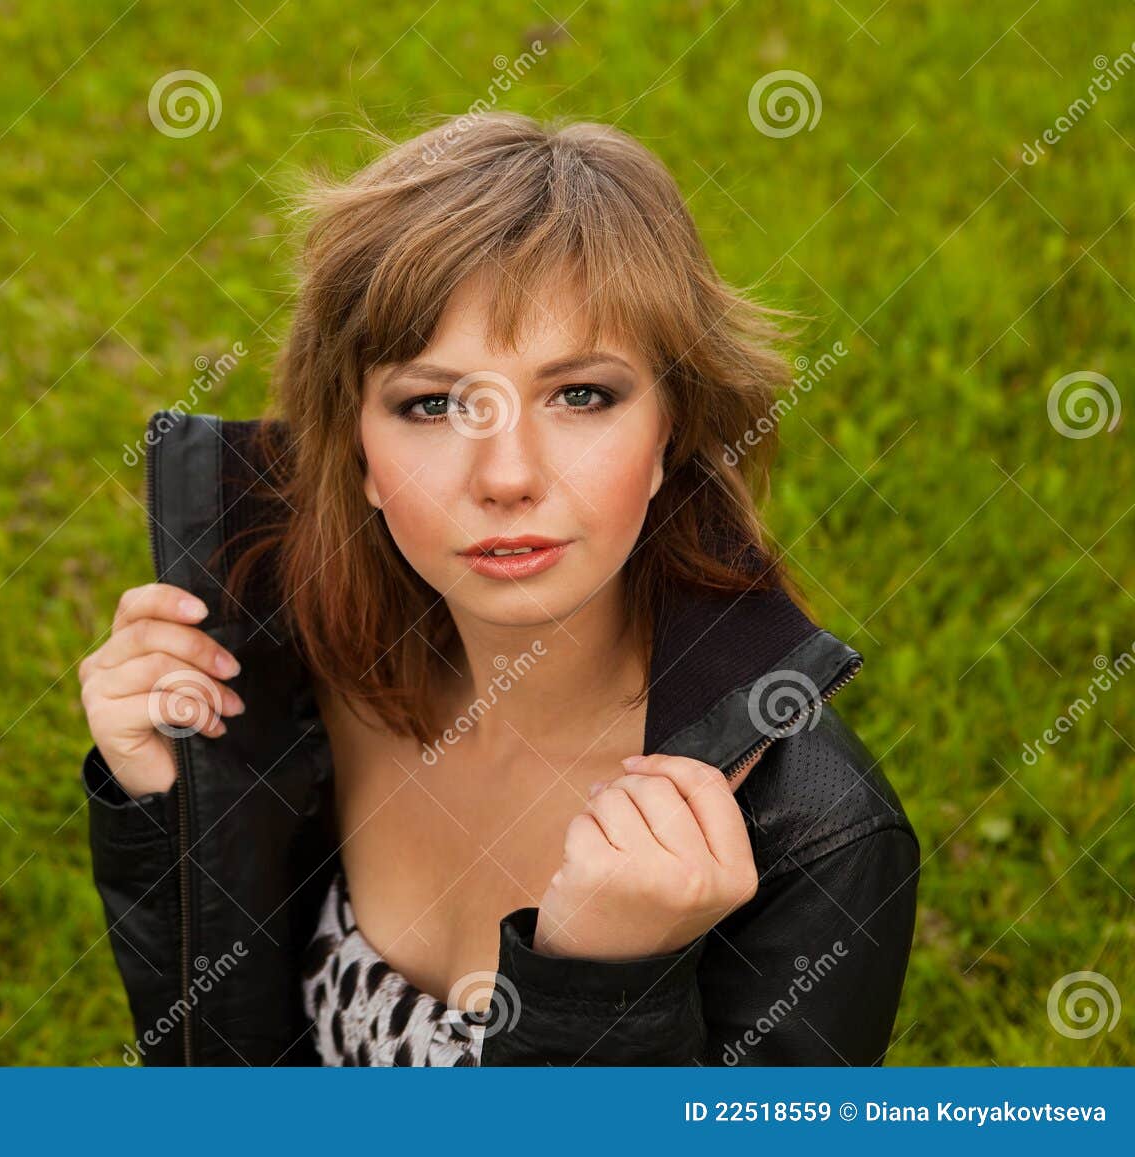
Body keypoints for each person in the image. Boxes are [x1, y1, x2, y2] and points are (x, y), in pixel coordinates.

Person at [76, 112, 920, 1066]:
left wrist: (606, 986)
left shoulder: (817, 836)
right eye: (433, 404)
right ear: (354, 447)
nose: (506, 475)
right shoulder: (296, 669)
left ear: (669, 437)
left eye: (581, 395)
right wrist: (183, 810)